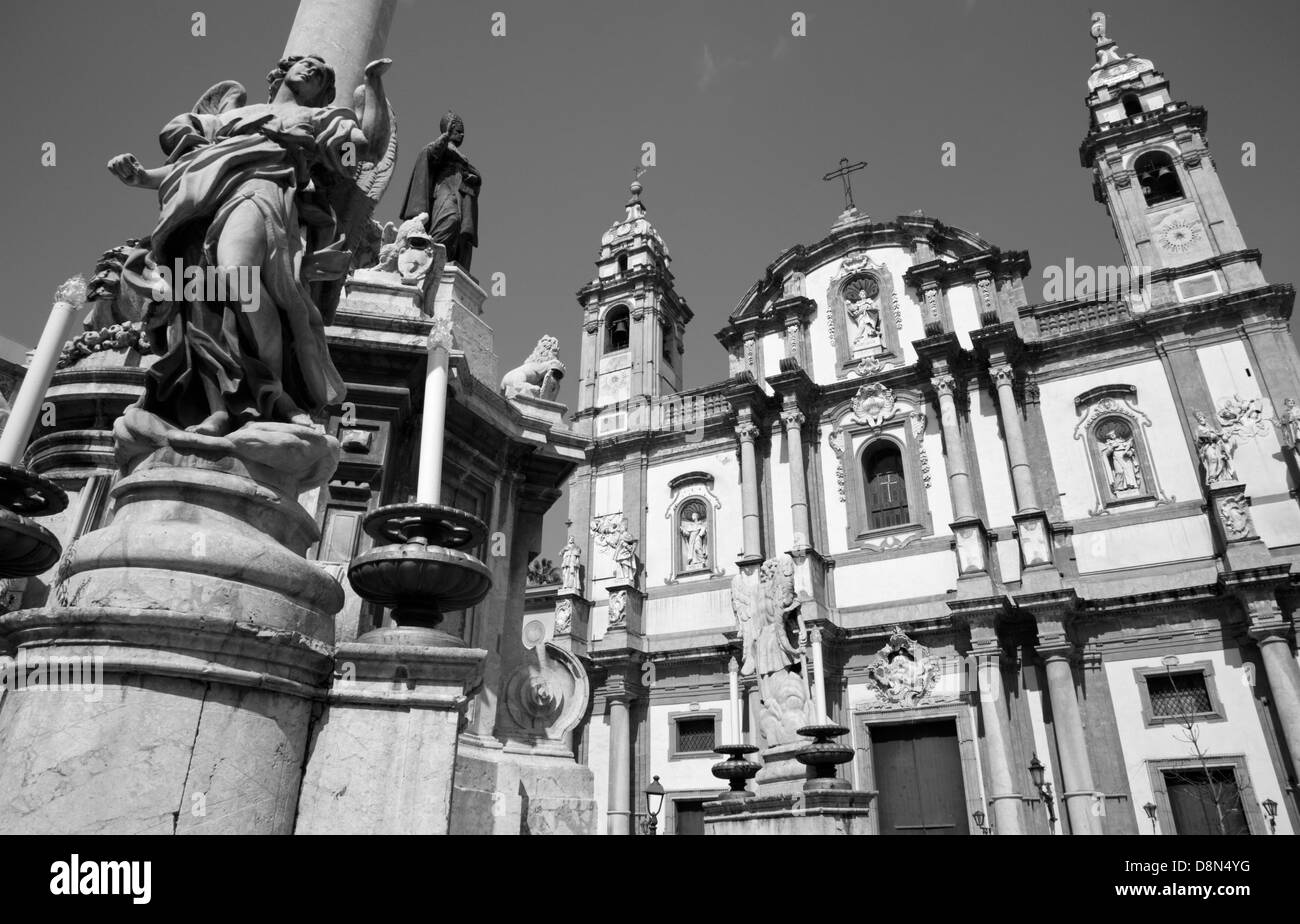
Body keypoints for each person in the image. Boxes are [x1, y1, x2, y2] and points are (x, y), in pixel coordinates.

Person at [107, 55, 391, 436]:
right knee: (201, 308)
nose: (311, 70)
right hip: (195, 210)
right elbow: (191, 166)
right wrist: (139, 176)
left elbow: (365, 150)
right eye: (307, 64)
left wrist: (373, 86)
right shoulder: (225, 117)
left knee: (236, 273)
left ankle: (274, 396)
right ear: (284, 70)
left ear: (323, 92)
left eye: (320, 74)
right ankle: (219, 409)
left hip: (261, 190)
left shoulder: (317, 119)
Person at [399, 111, 482, 272]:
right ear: (449, 130)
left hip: (460, 195)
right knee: (451, 220)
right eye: (458, 131)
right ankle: (429, 258)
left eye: (462, 131)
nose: (462, 134)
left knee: (459, 231)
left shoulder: (462, 157)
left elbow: (475, 175)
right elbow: (431, 154)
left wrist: (474, 179)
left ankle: (446, 260)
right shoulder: (441, 147)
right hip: (444, 192)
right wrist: (445, 136)